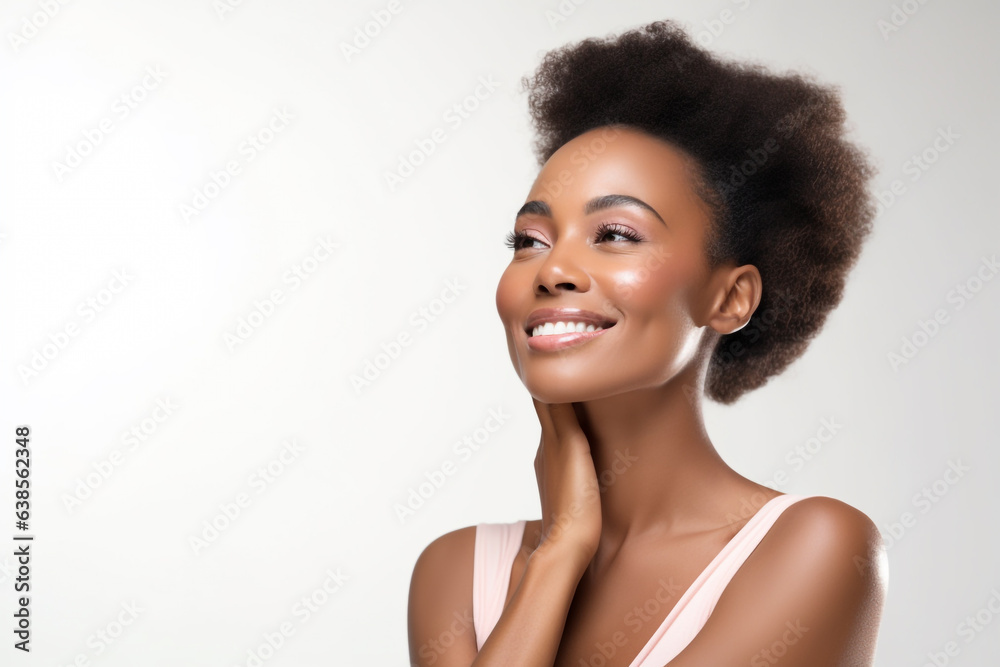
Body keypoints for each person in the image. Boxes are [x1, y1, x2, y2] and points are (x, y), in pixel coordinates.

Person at [408, 19, 886, 667]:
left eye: (616, 234)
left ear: (730, 297)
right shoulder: (456, 569)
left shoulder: (816, 547)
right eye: (530, 240)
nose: (552, 270)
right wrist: (559, 552)